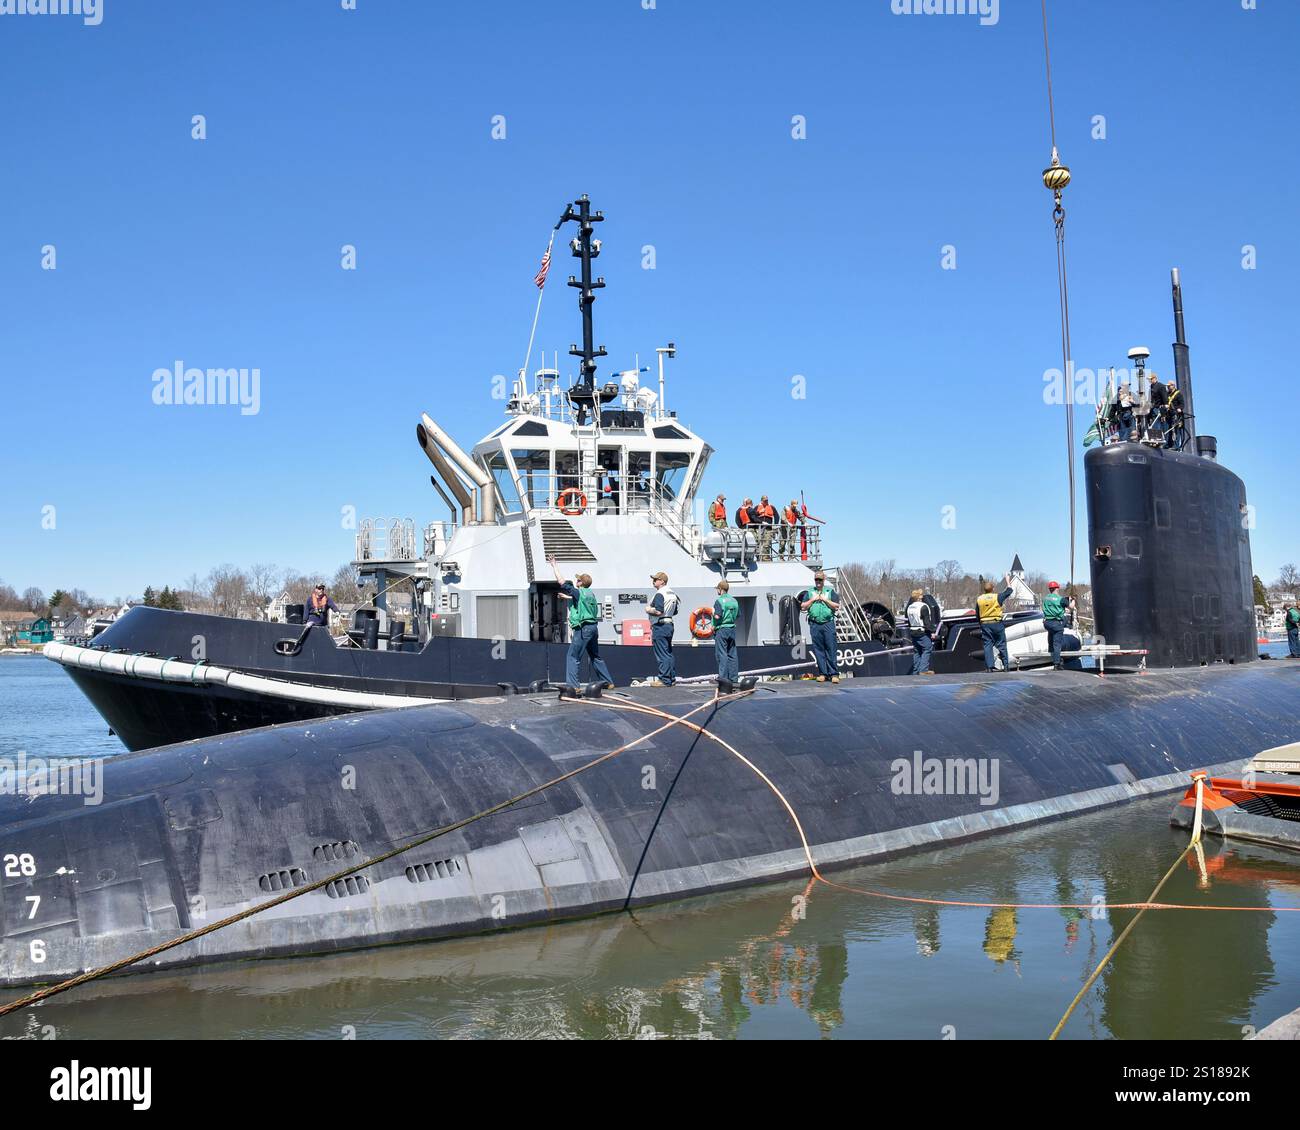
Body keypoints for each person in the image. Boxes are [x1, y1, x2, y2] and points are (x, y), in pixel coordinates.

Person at [549, 555, 614, 690]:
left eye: (577, 580)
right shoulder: (590, 594)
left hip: (583, 629)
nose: (575, 581)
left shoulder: (578, 593)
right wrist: (567, 597)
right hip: (593, 628)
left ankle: (573, 686)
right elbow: (581, 601)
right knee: (595, 656)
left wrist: (554, 565)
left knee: (572, 656)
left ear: (580, 583)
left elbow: (561, 582)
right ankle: (608, 682)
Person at [802, 570, 840, 682]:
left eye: (820, 579)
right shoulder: (809, 592)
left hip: (828, 623)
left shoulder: (830, 591)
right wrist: (813, 599)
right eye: (816, 579)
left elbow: (836, 606)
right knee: (818, 649)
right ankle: (823, 673)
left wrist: (825, 599)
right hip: (815, 624)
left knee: (831, 648)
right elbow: (803, 606)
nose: (818, 582)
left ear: (824, 580)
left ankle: (834, 674)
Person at [645, 571, 679, 686]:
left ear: (662, 581)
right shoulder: (672, 593)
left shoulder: (660, 593)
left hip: (660, 626)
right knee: (668, 653)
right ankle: (671, 678)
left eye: (656, 579)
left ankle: (664, 679)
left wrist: (648, 609)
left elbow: (659, 611)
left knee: (662, 654)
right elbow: (675, 611)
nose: (653, 581)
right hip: (669, 624)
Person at [977, 575, 1013, 672]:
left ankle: (989, 667)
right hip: (996, 623)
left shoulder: (980, 599)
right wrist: (1008, 581)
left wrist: (981, 624)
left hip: (985, 624)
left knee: (987, 645)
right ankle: (1006, 666)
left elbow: (977, 613)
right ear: (993, 589)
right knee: (1001, 644)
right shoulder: (997, 597)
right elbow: (1009, 591)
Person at [713, 579, 740, 689]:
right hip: (732, 629)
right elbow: (738, 615)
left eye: (717, 589)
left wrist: (712, 612)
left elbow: (717, 616)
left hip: (722, 629)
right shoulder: (734, 601)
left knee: (722, 654)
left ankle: (723, 679)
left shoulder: (719, 601)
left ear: (720, 589)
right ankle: (734, 679)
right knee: (732, 654)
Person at [1041, 581, 1075, 670]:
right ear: (1057, 588)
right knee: (1057, 644)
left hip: (1047, 622)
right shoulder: (1061, 599)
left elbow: (1048, 606)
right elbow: (1071, 607)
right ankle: (1057, 664)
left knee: (1051, 639)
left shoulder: (1045, 598)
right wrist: (1073, 600)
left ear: (1050, 589)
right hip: (1056, 623)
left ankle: (1051, 655)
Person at [905, 588, 935, 675]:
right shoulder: (923, 607)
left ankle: (916, 671)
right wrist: (933, 631)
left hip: (913, 632)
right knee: (927, 648)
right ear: (919, 597)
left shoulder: (910, 607)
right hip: (922, 632)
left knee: (917, 651)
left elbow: (908, 621)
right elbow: (927, 622)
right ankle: (923, 670)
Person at [754, 495, 777, 561]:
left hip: (768, 528)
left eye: (767, 500)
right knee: (758, 543)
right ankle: (759, 557)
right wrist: (759, 513)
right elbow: (753, 516)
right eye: (764, 501)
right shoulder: (757, 507)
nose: (766, 502)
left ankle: (765, 558)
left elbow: (776, 516)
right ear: (761, 501)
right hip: (759, 528)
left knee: (767, 543)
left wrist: (775, 525)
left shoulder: (771, 507)